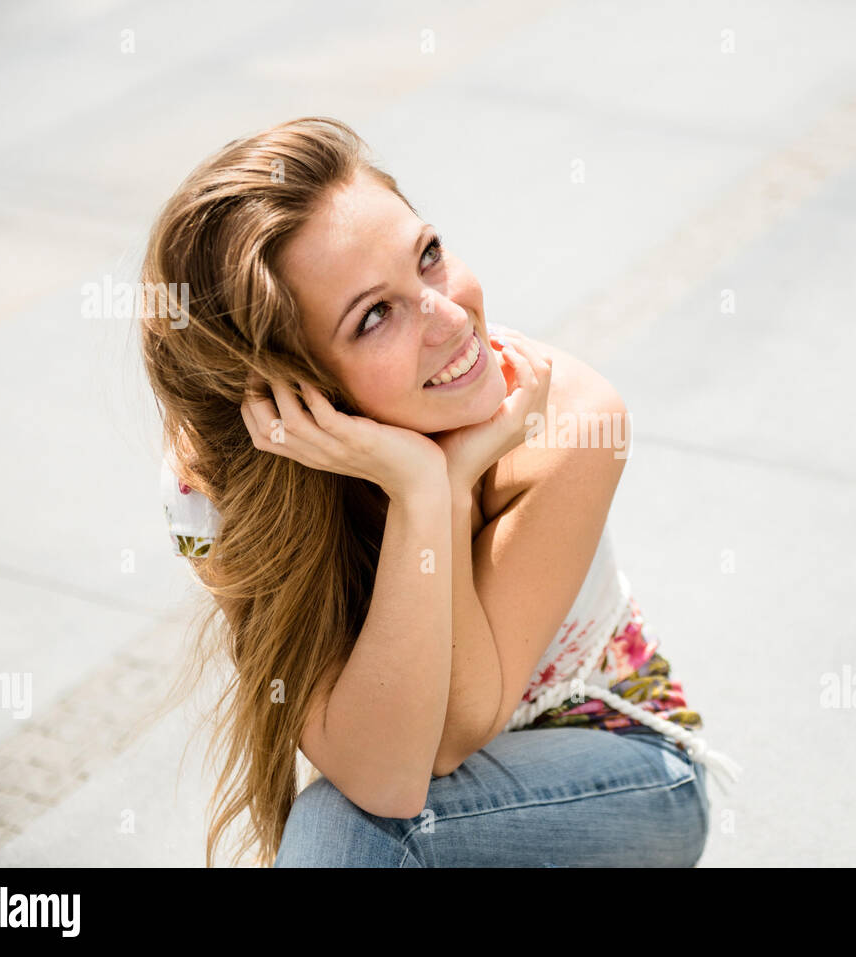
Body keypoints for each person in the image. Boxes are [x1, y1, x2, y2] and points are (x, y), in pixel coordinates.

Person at [141, 116, 740, 867]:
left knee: (353, 830)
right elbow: (380, 768)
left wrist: (437, 488)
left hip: (627, 773)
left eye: (427, 255)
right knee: (352, 820)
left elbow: (448, 742)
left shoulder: (573, 418)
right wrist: (425, 484)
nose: (452, 317)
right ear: (296, 392)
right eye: (375, 316)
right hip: (440, 803)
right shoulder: (215, 490)